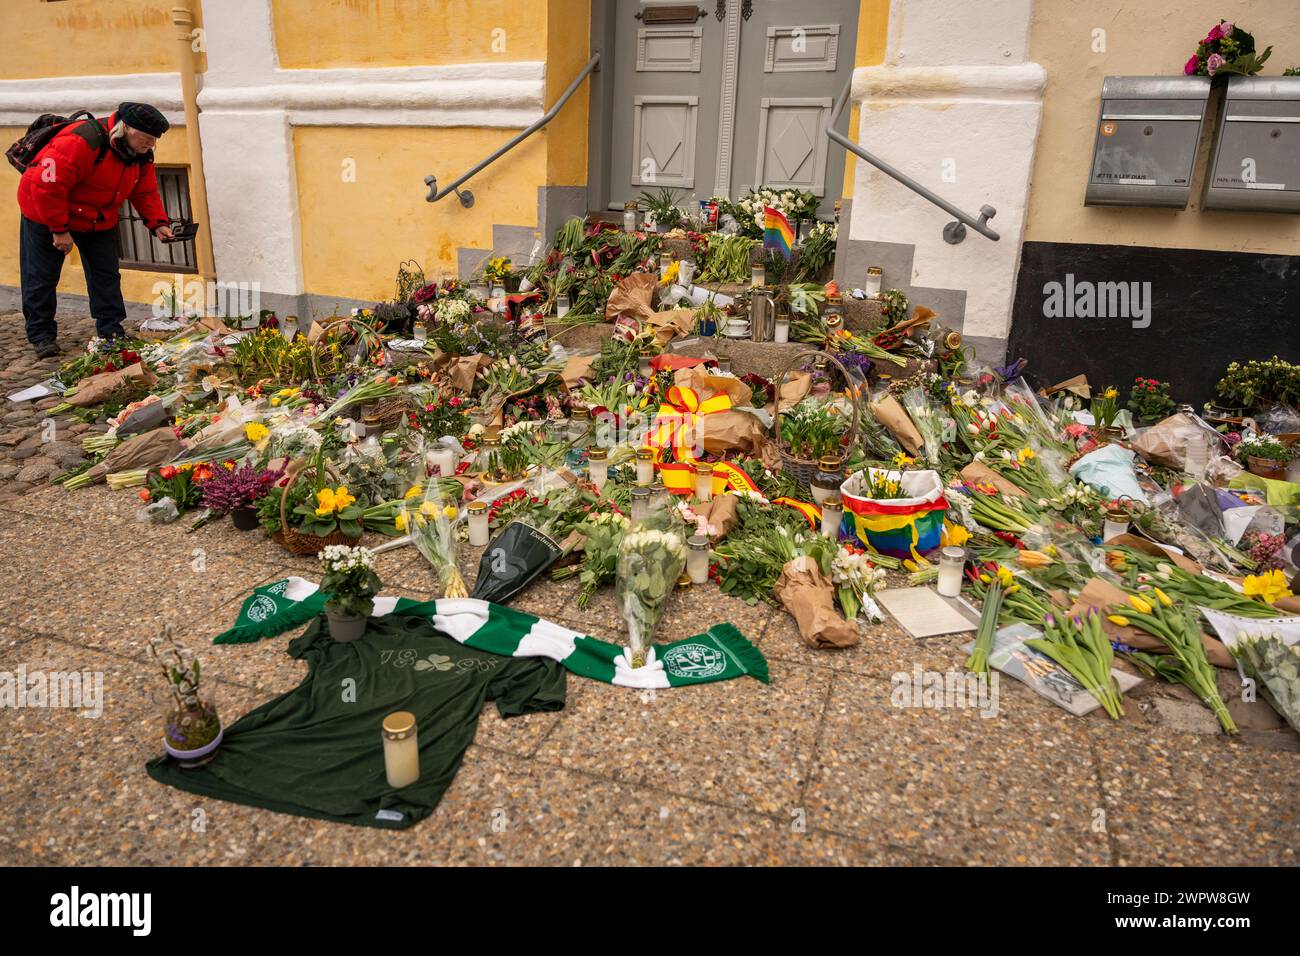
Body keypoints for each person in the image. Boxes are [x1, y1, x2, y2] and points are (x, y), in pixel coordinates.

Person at [16, 102, 176, 358]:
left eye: (154, 139)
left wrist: (158, 223)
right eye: (147, 138)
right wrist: (59, 230)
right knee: (41, 277)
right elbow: (47, 188)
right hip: (46, 212)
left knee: (106, 275)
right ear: (127, 129)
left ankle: (111, 330)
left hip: (97, 217)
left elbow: (144, 190)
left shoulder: (140, 153)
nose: (152, 144)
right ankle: (41, 335)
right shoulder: (80, 141)